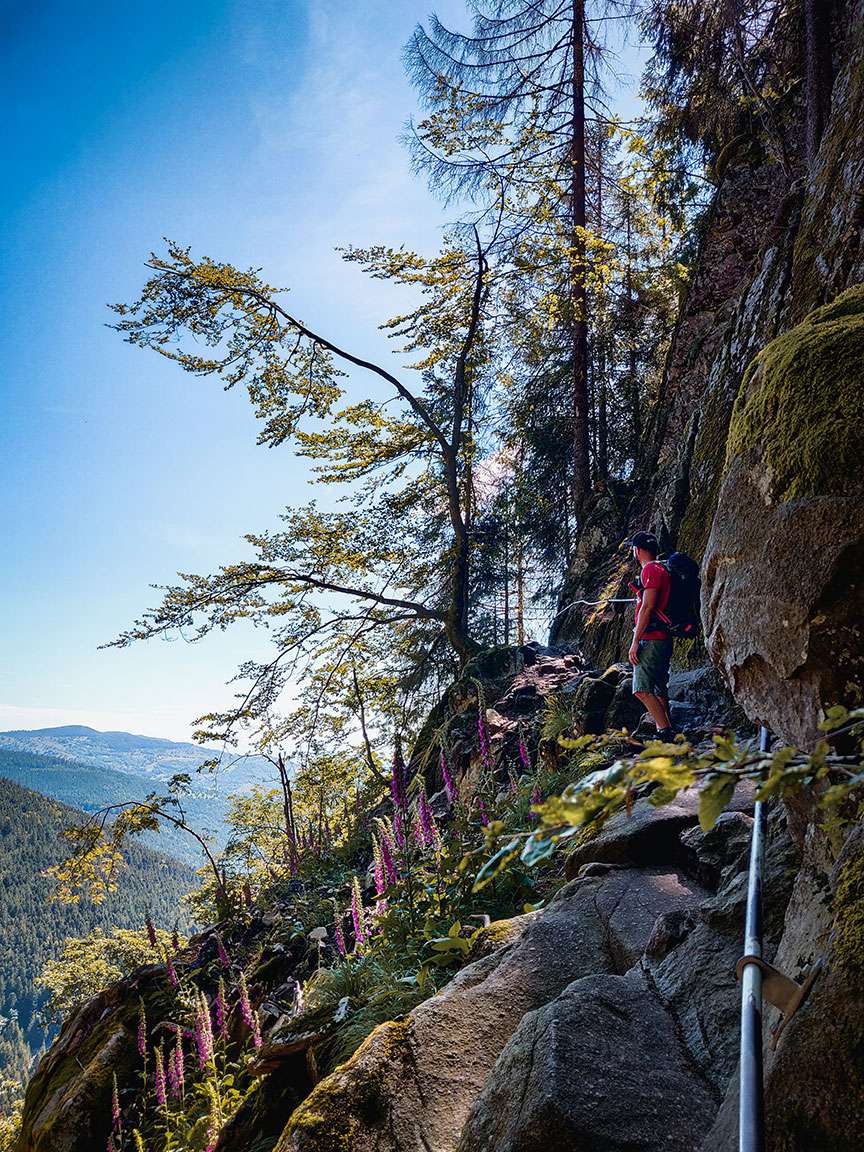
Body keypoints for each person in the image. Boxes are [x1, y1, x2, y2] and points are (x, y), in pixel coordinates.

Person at [626, 531, 676, 742]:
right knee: (657, 686)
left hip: (652, 638)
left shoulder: (651, 570)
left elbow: (647, 607)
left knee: (641, 689)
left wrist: (635, 641)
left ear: (638, 550)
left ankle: (664, 732)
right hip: (662, 636)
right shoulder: (663, 568)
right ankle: (666, 727)